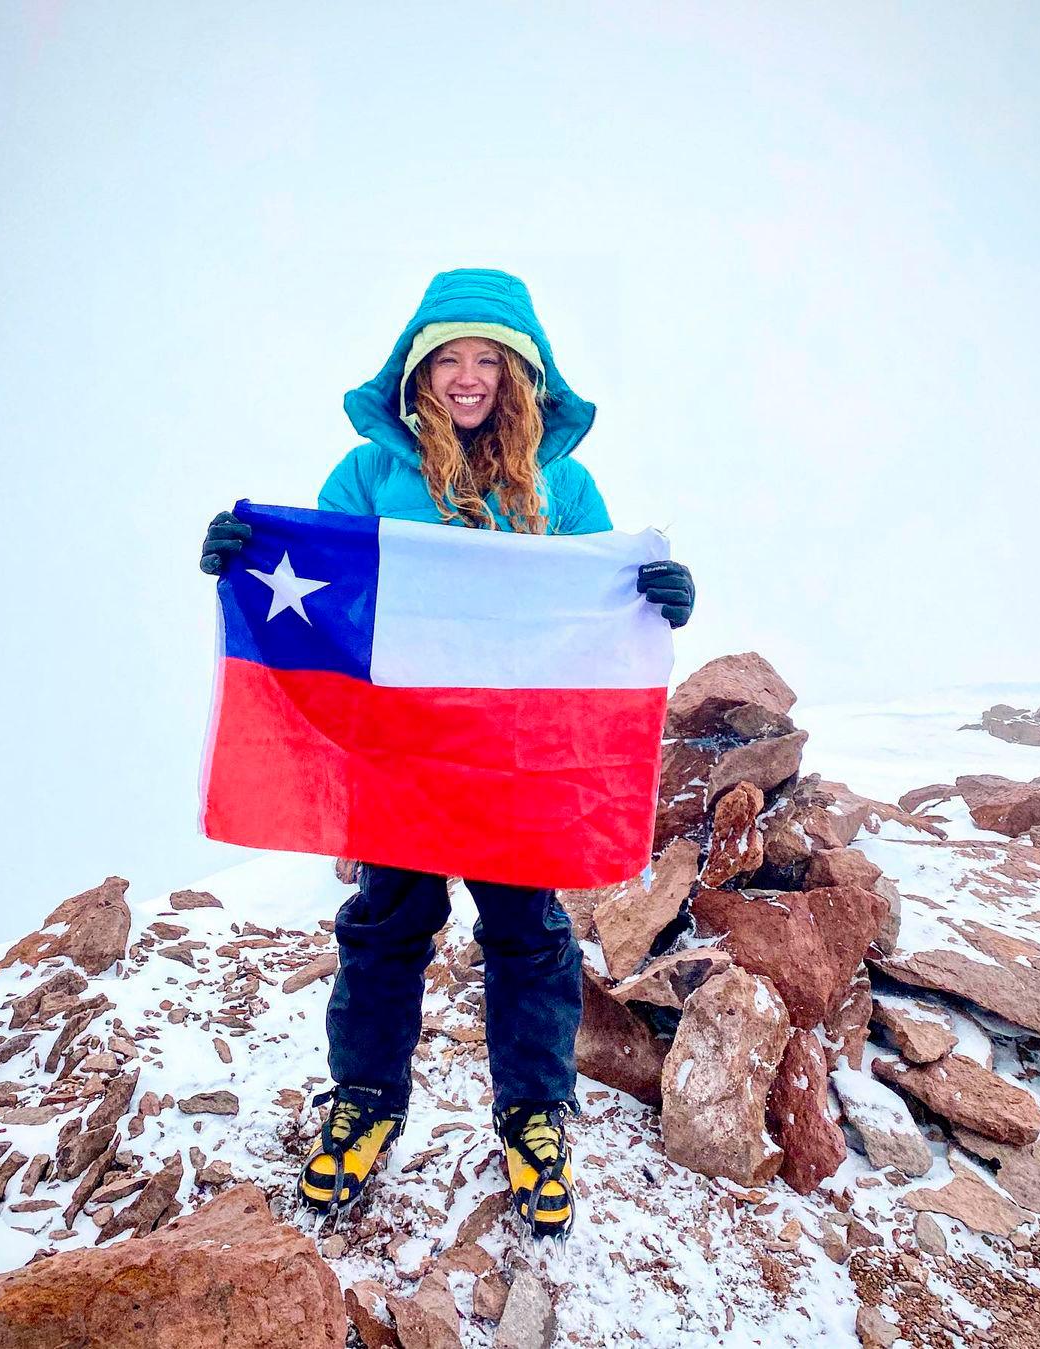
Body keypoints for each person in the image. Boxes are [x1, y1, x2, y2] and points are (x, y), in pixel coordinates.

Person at [200, 268, 695, 1240]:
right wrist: (246, 556)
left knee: (526, 928)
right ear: (416, 369)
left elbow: (596, 599)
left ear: (519, 372)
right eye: (447, 358)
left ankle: (534, 1111)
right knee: (390, 919)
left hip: (518, 756)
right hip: (402, 756)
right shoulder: (368, 475)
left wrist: (660, 593)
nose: (466, 376)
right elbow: (327, 592)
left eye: (487, 359)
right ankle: (367, 1098)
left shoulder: (564, 485)